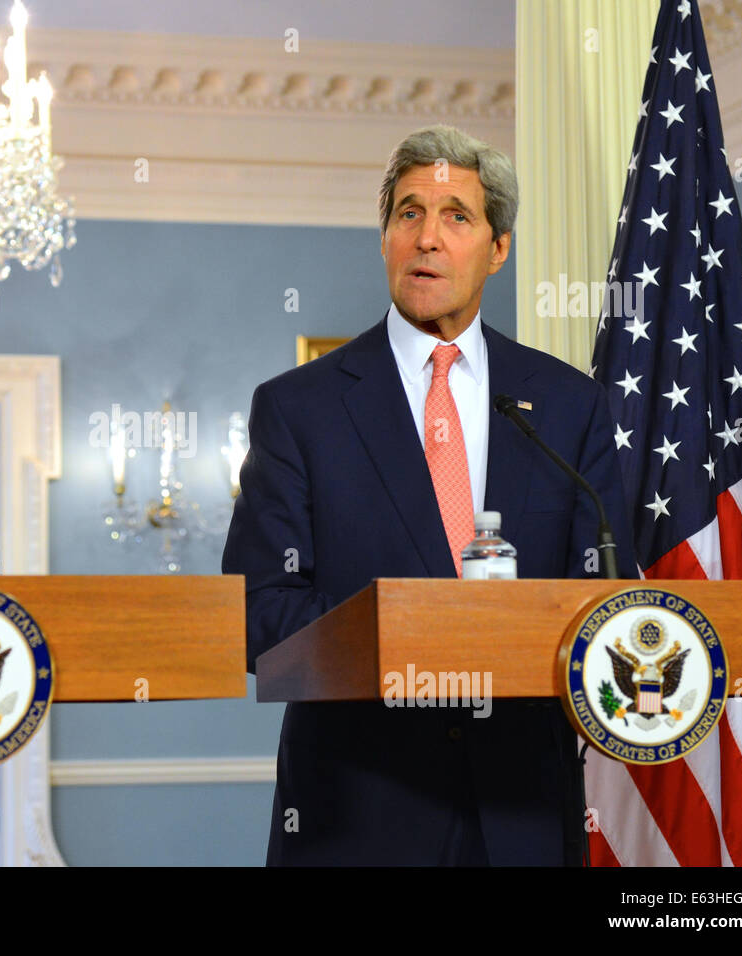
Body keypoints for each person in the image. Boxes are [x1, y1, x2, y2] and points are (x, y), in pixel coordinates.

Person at [222, 125, 636, 866]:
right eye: (408, 213)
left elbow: (601, 600)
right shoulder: (299, 408)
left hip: (523, 814)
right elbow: (260, 611)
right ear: (383, 237)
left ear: (498, 249)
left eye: (456, 217)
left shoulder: (570, 406)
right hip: (356, 814)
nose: (427, 239)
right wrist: (419, 638)